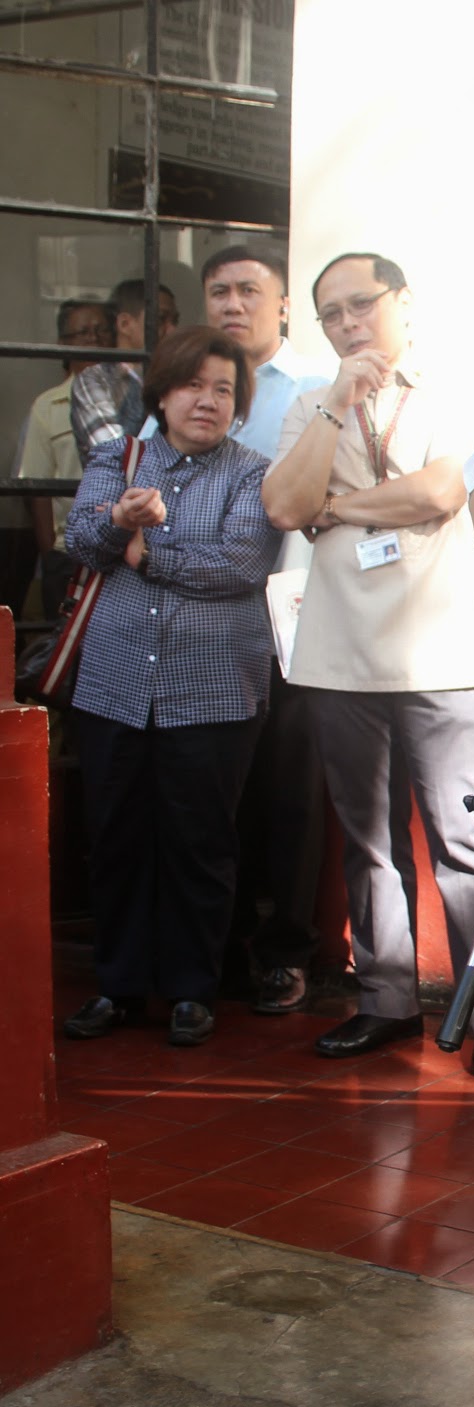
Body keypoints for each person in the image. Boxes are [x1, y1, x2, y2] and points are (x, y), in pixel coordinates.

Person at [262, 252, 474, 1075]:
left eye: (360, 305)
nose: (346, 326)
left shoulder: (454, 393)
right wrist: (338, 404)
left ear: (404, 303)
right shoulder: (310, 403)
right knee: (367, 841)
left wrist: (335, 509)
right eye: (329, 314)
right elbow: (283, 506)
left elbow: (441, 492)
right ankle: (386, 1000)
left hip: (442, 652)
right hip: (339, 656)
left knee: (465, 840)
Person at [60, 326, 279, 1047]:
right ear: (162, 393)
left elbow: (240, 563)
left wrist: (141, 548)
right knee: (117, 838)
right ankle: (119, 986)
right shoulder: (116, 458)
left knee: (201, 842)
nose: (207, 400)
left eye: (224, 389)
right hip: (115, 686)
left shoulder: (252, 472)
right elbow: (79, 536)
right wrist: (115, 521)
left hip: (214, 691)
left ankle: (192, 988)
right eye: (194, 385)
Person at [200, 244, 332, 1016]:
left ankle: (284, 951)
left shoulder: (315, 389)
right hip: (203, 628)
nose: (233, 303)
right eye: (218, 290)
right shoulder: (187, 388)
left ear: (281, 305)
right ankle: (216, 950)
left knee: (290, 797)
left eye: (250, 290)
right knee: (218, 794)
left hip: (289, 622)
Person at [14, 300, 113, 620]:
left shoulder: (131, 396)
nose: (94, 339)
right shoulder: (47, 406)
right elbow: (38, 489)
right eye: (83, 332)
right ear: (64, 344)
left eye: (100, 331)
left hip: (118, 546)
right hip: (69, 554)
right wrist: (51, 555)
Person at [70, 279, 179, 463]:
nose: (173, 330)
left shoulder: (178, 377)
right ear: (125, 324)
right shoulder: (95, 380)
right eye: (161, 319)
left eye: (175, 321)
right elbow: (119, 458)